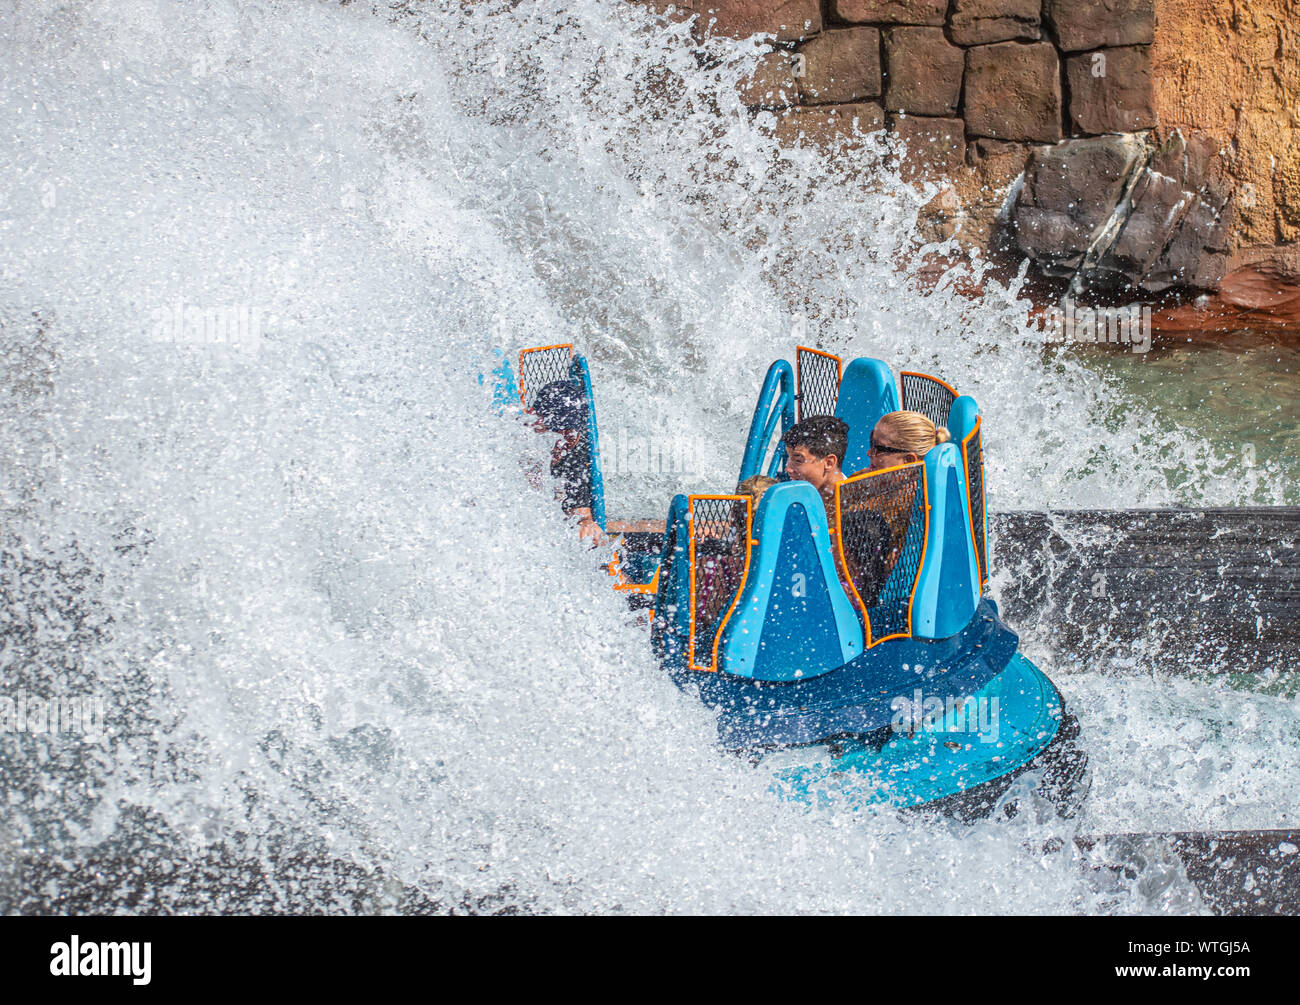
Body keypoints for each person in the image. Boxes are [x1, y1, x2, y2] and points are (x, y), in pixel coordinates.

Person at [532, 379, 604, 545]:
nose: (560, 442)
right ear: (535, 417)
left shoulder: (575, 453)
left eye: (568, 434)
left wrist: (586, 525)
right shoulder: (511, 440)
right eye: (554, 431)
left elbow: (582, 515)